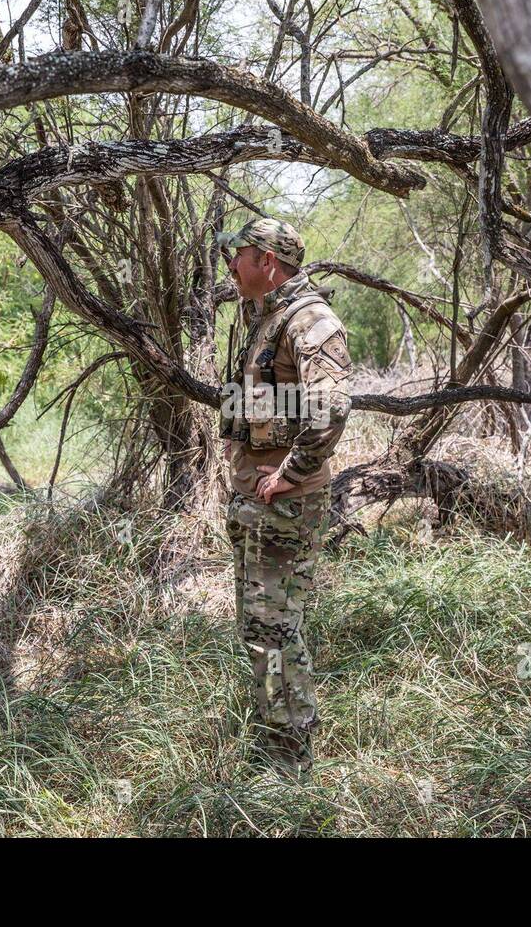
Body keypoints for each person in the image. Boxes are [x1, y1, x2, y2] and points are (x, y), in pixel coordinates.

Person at [216, 217, 352, 776]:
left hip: (284, 501)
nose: (232, 265)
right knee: (259, 625)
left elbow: (333, 404)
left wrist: (292, 473)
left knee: (273, 625)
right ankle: (281, 733)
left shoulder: (310, 320)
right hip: (256, 496)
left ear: (267, 263)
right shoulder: (265, 318)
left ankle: (290, 757)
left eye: (240, 255)